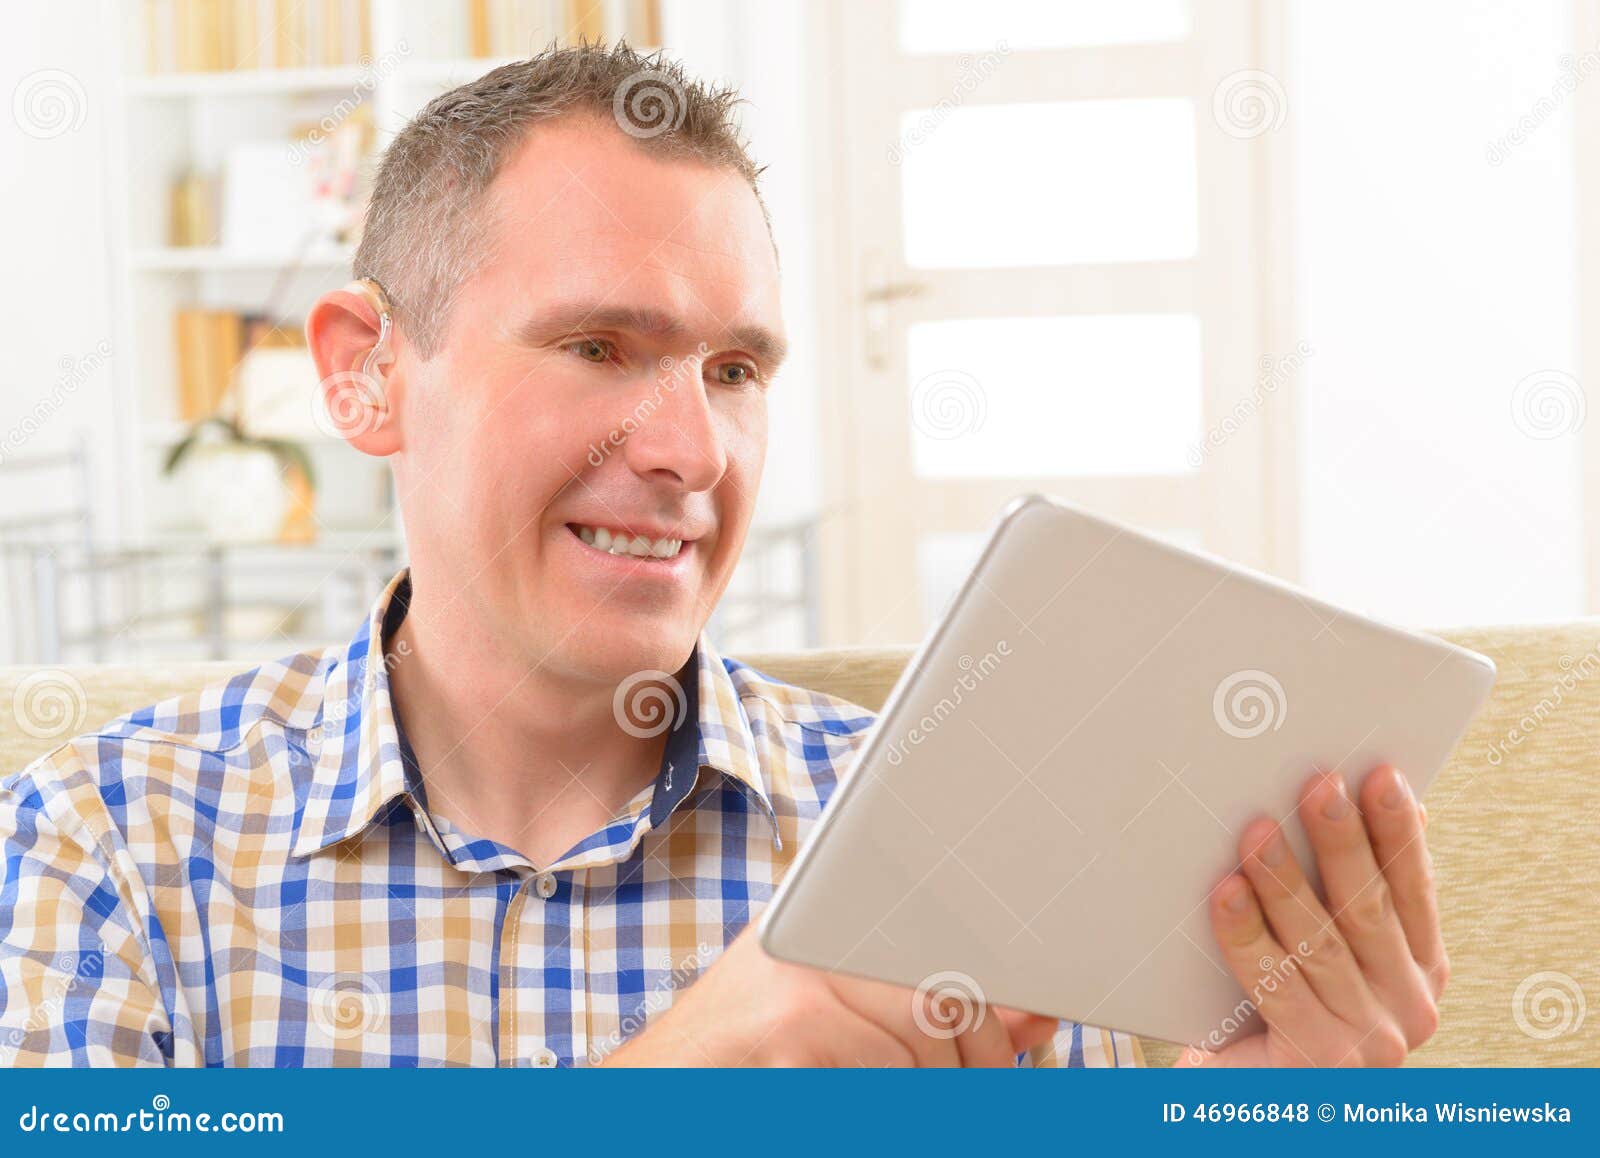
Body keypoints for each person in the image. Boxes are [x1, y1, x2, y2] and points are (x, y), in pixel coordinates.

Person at [0, 43, 1444, 1068]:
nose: (692, 451)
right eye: (597, 346)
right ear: (369, 370)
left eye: (738, 369)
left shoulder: (963, 831)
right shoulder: (109, 847)